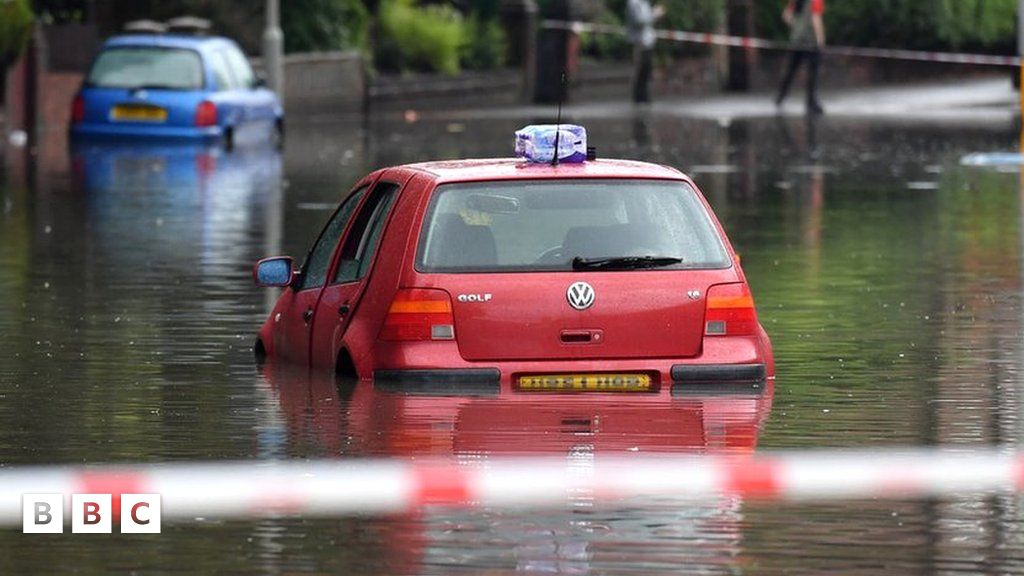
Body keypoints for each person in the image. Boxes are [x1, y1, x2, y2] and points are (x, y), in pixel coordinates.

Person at [775, 0, 826, 114]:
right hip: (811, 42)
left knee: (790, 70)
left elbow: (786, 16)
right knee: (813, 73)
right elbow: (815, 18)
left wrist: (797, 26)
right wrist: (820, 41)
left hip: (796, 40)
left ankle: (780, 98)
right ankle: (811, 103)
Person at [626, 0, 665, 103]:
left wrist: (654, 15)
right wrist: (654, 14)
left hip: (647, 42)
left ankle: (644, 96)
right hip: (639, 42)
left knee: (646, 70)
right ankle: (638, 98)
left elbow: (647, 21)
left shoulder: (644, 3)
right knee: (640, 69)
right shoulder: (634, 3)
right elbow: (639, 21)